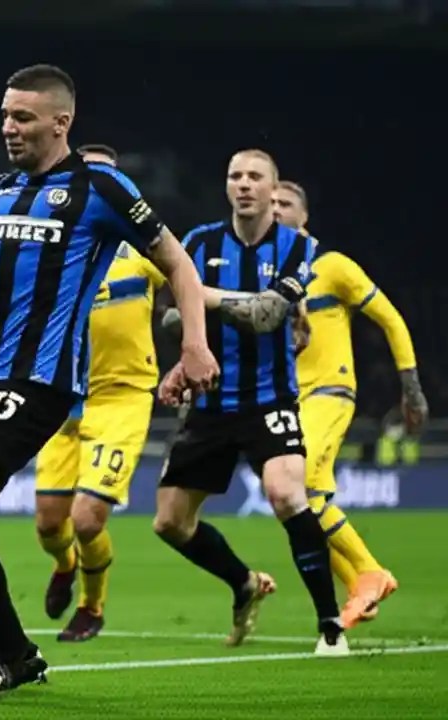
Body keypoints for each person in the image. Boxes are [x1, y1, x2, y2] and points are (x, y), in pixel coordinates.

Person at [0, 65, 220, 703]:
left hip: (41, 378)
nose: (8, 128)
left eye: (22, 117)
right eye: (4, 115)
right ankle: (20, 653)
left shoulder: (101, 186)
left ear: (61, 122)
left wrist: (193, 346)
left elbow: (178, 264)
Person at [154, 149, 347, 657]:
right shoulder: (198, 241)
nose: (244, 184)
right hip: (212, 401)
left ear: (272, 189)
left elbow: (267, 314)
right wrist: (184, 351)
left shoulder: (296, 247)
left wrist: (201, 295)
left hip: (270, 400)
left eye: (254, 177)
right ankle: (242, 582)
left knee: (287, 496)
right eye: (235, 175)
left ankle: (330, 625)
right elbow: (173, 319)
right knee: (170, 523)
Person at [273, 180, 425, 627]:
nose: (277, 209)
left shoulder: (332, 266)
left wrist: (410, 385)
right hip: (285, 399)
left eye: (287, 203)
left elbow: (390, 319)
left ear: (305, 217)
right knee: (295, 504)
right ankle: (362, 584)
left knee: (302, 488)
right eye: (273, 203)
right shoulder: (265, 275)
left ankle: (370, 574)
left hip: (329, 391)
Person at [32, 143, 167, 642]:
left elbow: (191, 279)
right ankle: (65, 566)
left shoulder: (142, 250)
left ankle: (91, 607)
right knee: (50, 526)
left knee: (87, 519)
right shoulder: (54, 247)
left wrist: (195, 343)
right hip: (60, 400)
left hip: (122, 397)